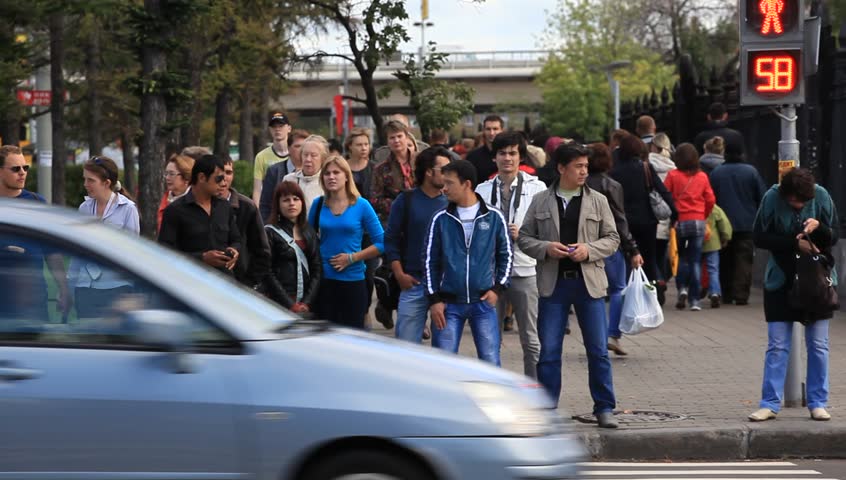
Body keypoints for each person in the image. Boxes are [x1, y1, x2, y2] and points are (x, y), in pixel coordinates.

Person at [518, 143, 621, 428]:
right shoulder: (541, 201)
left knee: (598, 351)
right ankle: (547, 409)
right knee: (549, 352)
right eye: (578, 166)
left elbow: (613, 239)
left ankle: (604, 408)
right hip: (553, 286)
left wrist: (589, 250)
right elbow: (525, 238)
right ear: (561, 168)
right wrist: (545, 248)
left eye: (586, 166)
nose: (584, 171)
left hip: (589, 285)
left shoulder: (598, 200)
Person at [748, 168, 838, 422]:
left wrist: (818, 227)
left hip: (816, 280)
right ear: (785, 194)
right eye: (794, 201)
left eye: (803, 202)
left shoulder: (820, 196)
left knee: (818, 345)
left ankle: (818, 401)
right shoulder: (771, 198)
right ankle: (769, 402)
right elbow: (759, 237)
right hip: (781, 280)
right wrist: (793, 243)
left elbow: (832, 235)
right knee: (777, 345)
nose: (799, 205)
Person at [424, 159, 512, 366]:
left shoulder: (494, 217)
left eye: (449, 183)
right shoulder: (440, 218)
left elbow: (506, 255)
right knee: (443, 364)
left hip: (483, 302)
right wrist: (434, 299)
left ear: (467, 184)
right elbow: (429, 261)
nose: (443, 188)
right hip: (448, 305)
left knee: (490, 362)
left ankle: (491, 399)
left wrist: (498, 289)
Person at [475, 132, 547, 377]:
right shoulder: (482, 191)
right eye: (502, 153)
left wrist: (523, 234)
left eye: (512, 153)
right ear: (494, 157)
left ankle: (534, 391)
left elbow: (547, 231)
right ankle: (493, 391)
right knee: (489, 339)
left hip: (525, 269)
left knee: (531, 338)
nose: (507, 158)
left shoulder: (538, 188)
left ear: (520, 156)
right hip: (490, 274)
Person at [308, 155, 384, 328]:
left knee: (353, 338)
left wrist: (352, 258)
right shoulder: (318, 204)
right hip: (324, 281)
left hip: (353, 281)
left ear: (347, 176)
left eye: (336, 172)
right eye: (327, 173)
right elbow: (309, 240)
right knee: (327, 336)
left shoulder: (361, 205)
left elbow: (382, 242)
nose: (331, 177)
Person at [386, 146, 450, 343]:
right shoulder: (405, 200)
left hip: (445, 286)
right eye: (444, 170)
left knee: (445, 352)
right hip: (413, 283)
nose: (449, 175)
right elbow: (391, 239)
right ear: (429, 172)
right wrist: (399, 275)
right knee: (406, 350)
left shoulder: (451, 202)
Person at [0, 145, 71, 317]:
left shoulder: (36, 203)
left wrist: (64, 288)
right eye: (16, 169)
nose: (22, 172)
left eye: (25, 168)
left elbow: (52, 251)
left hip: (32, 302)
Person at [586, 143, 643, 356]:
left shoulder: (580, 185)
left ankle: (596, 337)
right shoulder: (612, 185)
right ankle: (612, 335)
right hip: (610, 244)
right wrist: (633, 249)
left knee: (594, 292)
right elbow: (620, 220)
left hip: (586, 245)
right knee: (617, 288)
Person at [70, 156, 140, 318]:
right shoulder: (84, 208)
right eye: (84, 179)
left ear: (106, 183)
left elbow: (133, 252)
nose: (85, 184)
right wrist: (68, 287)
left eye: (90, 180)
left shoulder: (127, 209)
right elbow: (77, 253)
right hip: (85, 288)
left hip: (117, 287)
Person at [610, 134, 677, 284]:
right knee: (649, 258)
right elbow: (663, 190)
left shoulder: (614, 172)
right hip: (647, 220)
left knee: (627, 258)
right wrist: (675, 213)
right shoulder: (645, 167)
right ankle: (653, 292)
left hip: (625, 221)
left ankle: (631, 291)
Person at [158, 154, 241, 274]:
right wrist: (202, 258)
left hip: (224, 283)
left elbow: (236, 239)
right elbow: (165, 252)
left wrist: (234, 250)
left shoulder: (224, 207)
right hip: (190, 282)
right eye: (218, 179)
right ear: (202, 177)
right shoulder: (175, 210)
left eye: (224, 178)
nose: (224, 183)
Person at [709, 141, 767, 305]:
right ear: (742, 154)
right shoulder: (751, 172)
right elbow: (761, 196)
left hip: (722, 225)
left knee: (725, 259)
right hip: (747, 223)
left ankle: (726, 293)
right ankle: (741, 294)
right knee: (744, 260)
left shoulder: (716, 173)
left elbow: (711, 199)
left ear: (725, 154)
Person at [663, 143, 715, 311]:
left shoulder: (672, 175)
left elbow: (665, 196)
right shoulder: (702, 177)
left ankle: (682, 289)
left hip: (680, 221)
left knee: (681, 258)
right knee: (695, 260)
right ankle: (694, 300)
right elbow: (710, 199)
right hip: (698, 221)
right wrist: (704, 215)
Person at [264, 181, 322, 314]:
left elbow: (317, 267)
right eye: (286, 200)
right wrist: (289, 304)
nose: (292, 203)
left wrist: (306, 302)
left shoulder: (309, 231)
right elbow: (267, 272)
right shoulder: (270, 232)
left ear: (302, 202)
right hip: (279, 302)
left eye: (296, 199)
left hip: (307, 302)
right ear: (278, 205)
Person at [219, 156, 271, 289]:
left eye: (229, 172)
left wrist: (247, 283)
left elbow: (262, 251)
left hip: (240, 283)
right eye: (219, 172)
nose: (224, 177)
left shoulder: (247, 207)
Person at [648, 133, 677, 304]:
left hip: (651, 216)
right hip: (667, 217)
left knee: (650, 256)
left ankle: (657, 283)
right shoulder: (673, 168)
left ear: (654, 147)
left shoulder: (647, 165)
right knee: (661, 254)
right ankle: (662, 280)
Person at [371, 120, 416, 225]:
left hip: (423, 216)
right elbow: (375, 199)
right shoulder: (380, 169)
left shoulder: (421, 160)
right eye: (392, 138)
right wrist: (398, 205)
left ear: (406, 137)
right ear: (387, 141)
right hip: (395, 221)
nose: (396, 140)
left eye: (399, 136)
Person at [259, 129, 311, 221]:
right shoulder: (274, 171)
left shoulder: (313, 172)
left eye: (305, 147)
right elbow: (265, 205)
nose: (302, 150)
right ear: (289, 149)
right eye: (298, 146)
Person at [279, 135, 326, 219]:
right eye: (305, 155)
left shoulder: (326, 181)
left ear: (322, 158)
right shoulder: (289, 179)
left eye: (313, 155)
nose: (308, 159)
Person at [253, 112, 293, 205]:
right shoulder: (261, 156)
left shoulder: (295, 153)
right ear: (270, 130)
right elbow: (257, 190)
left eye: (281, 126)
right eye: (274, 127)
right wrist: (258, 214)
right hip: (271, 207)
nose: (277, 129)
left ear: (289, 128)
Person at [701, 204, 732, 308]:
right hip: (712, 242)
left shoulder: (692, 204)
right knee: (713, 269)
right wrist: (725, 237)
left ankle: (695, 293)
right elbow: (724, 223)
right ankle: (715, 293)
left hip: (696, 241)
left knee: (695, 267)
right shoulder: (714, 207)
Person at [157, 154, 194, 231]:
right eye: (166, 173)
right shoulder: (165, 200)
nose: (167, 178)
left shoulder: (196, 201)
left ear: (186, 178)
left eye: (171, 174)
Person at [466, 115, 504, 181]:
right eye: (488, 129)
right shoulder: (473, 156)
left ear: (501, 130)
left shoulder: (509, 155)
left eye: (495, 129)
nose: (491, 133)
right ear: (483, 130)